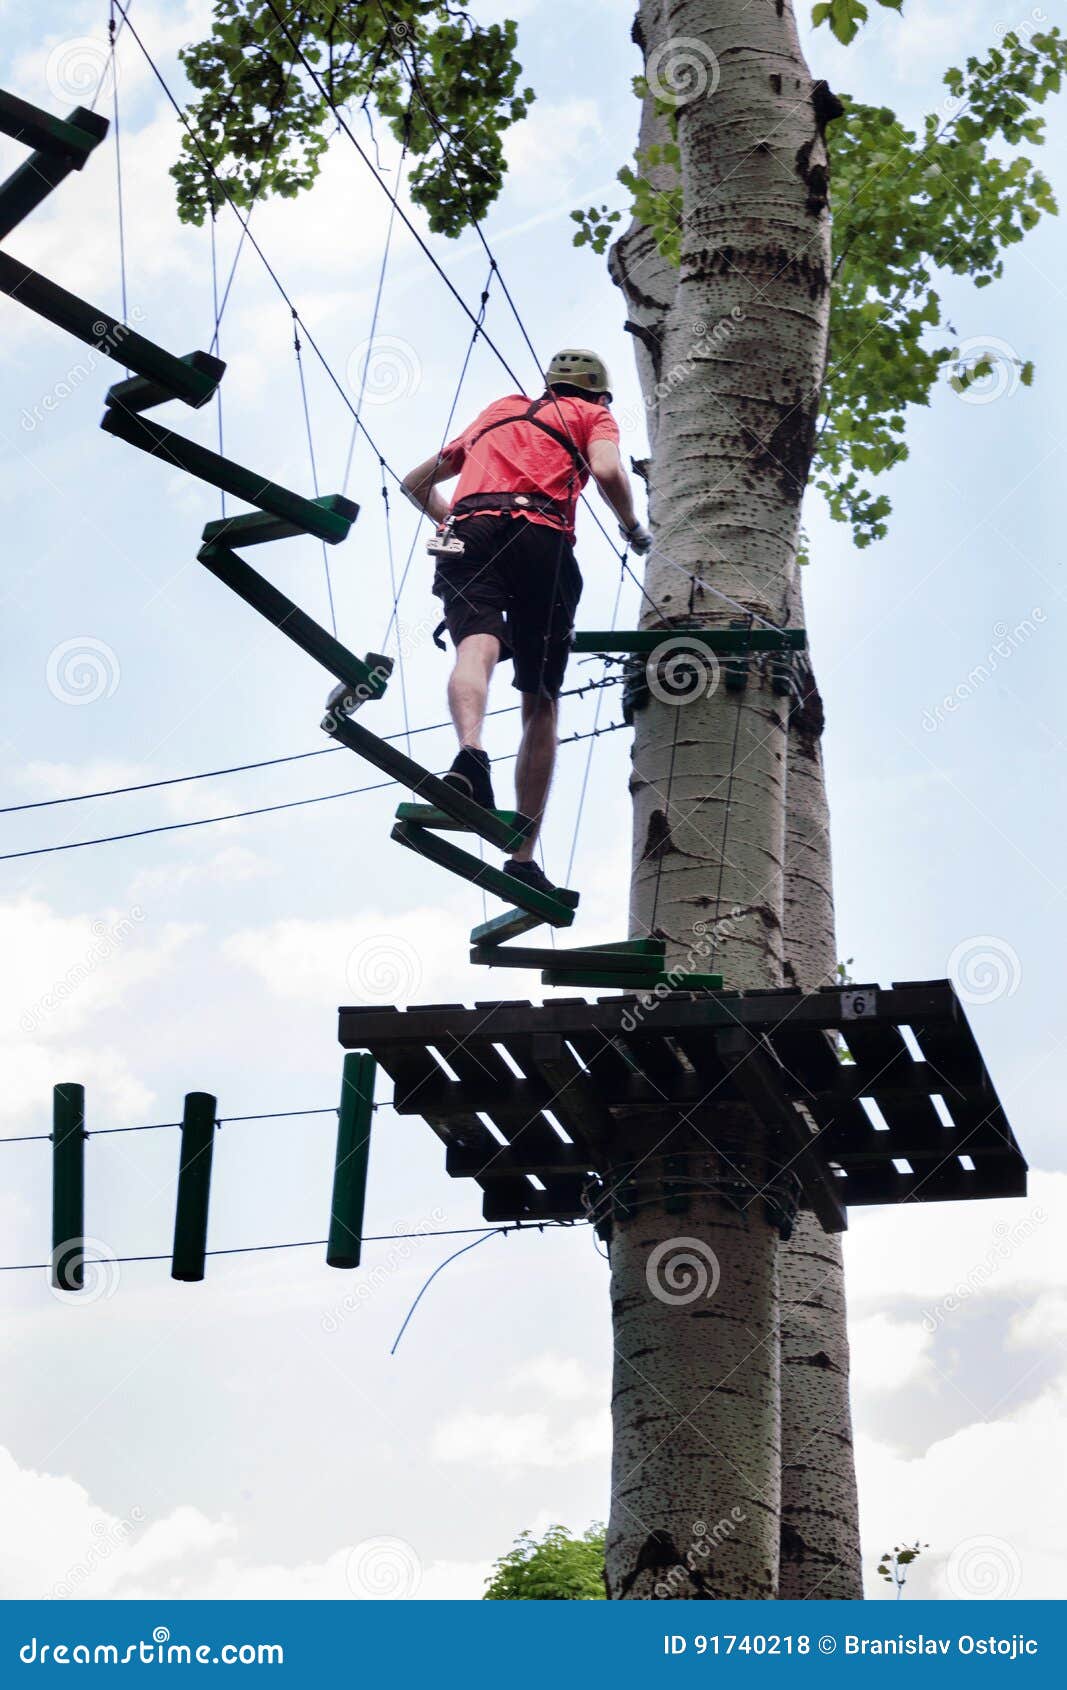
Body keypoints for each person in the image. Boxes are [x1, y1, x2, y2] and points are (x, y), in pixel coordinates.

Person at [400, 348, 651, 897]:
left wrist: (459, 521)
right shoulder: (592, 415)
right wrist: (632, 526)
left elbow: (413, 483)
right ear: (599, 394)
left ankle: (470, 754)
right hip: (541, 537)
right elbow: (606, 468)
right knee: (540, 698)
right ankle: (523, 857)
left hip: (468, 531)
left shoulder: (501, 410)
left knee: (475, 647)